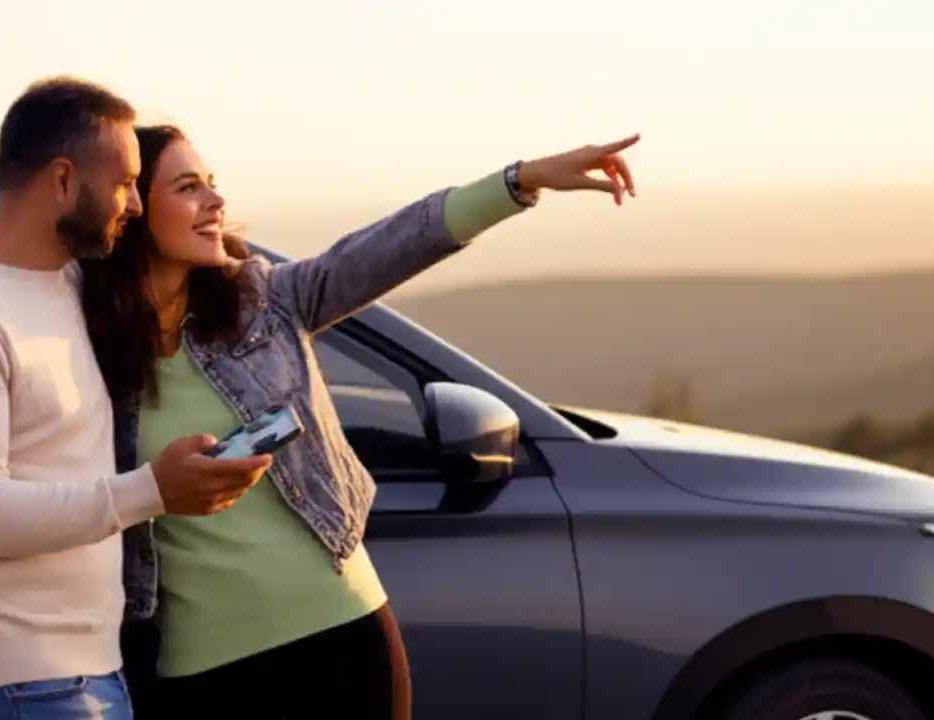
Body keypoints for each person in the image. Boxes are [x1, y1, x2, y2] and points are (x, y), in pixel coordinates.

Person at [80, 123, 639, 718]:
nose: (216, 201)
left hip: (341, 633)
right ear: (132, 208)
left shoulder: (265, 303)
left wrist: (519, 181)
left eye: (213, 184)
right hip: (199, 671)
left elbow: (388, 248)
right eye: (189, 187)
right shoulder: (82, 355)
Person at [0, 77, 272, 720]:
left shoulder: (67, 285)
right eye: (124, 182)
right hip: (20, 687)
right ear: (63, 181)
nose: (136, 205)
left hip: (78, 674)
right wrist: (152, 490)